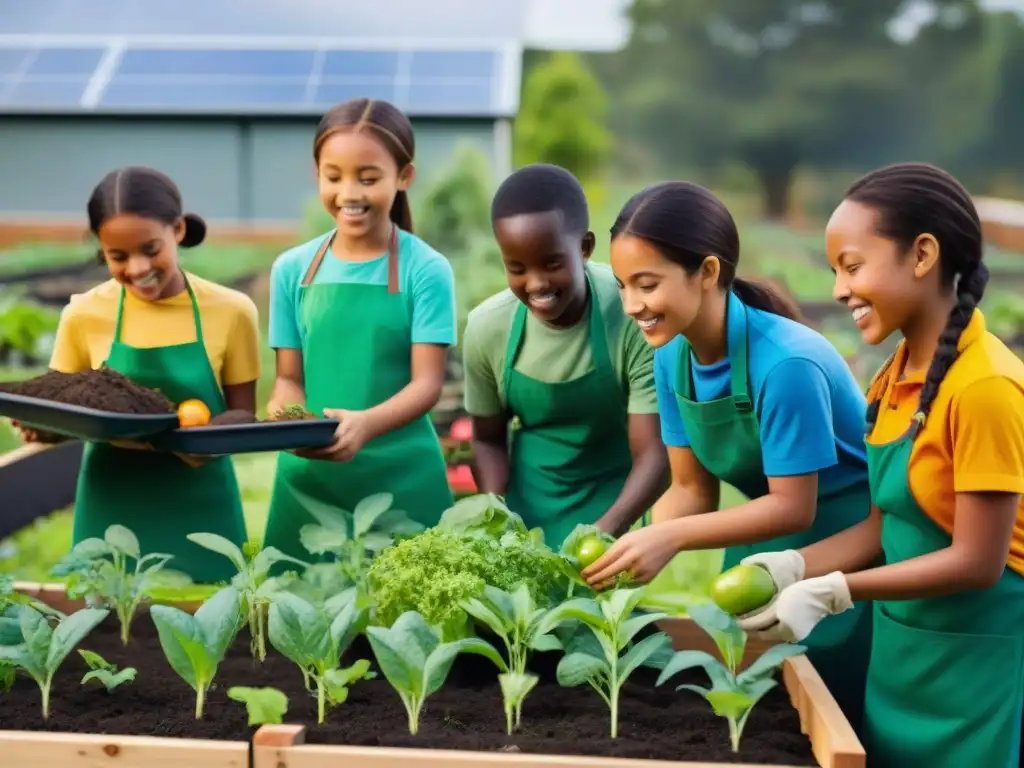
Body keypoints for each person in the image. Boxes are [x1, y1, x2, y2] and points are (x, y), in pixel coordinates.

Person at [735, 163, 1024, 768]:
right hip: (903, 658)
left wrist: (835, 592)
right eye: (835, 270)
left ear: (922, 255)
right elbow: (884, 527)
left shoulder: (987, 388)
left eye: (852, 265)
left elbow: (976, 561)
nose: (839, 289)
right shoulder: (891, 379)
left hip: (980, 665)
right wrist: (795, 565)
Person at [581, 180, 874, 733]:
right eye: (622, 286)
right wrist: (628, 563)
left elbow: (796, 509)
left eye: (647, 285)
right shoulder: (673, 355)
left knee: (829, 716)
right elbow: (691, 488)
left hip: (847, 543)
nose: (631, 306)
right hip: (763, 533)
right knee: (755, 709)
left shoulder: (787, 365)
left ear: (708, 272)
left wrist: (670, 538)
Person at [21, 165, 260, 582]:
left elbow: (244, 414)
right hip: (112, 503)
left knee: (219, 636)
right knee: (108, 629)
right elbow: (60, 406)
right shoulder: (83, 314)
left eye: (151, 249)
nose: (137, 268)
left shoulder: (232, 310)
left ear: (179, 230)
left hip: (202, 504)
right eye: (118, 256)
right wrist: (41, 427)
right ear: (101, 249)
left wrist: (205, 440)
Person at [263, 98, 456, 559]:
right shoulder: (292, 270)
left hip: (403, 481)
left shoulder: (426, 270)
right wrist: (287, 422)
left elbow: (427, 383)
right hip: (310, 483)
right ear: (318, 176)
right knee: (301, 624)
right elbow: (289, 380)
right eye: (334, 177)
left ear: (404, 178)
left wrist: (365, 426)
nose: (349, 193)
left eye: (368, 179)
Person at [462, 164, 667, 548]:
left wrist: (603, 536)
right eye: (517, 268)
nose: (536, 283)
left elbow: (655, 453)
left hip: (615, 498)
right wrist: (496, 514)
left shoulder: (629, 315)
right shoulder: (487, 328)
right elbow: (487, 439)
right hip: (527, 505)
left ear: (585, 248)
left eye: (552, 263)